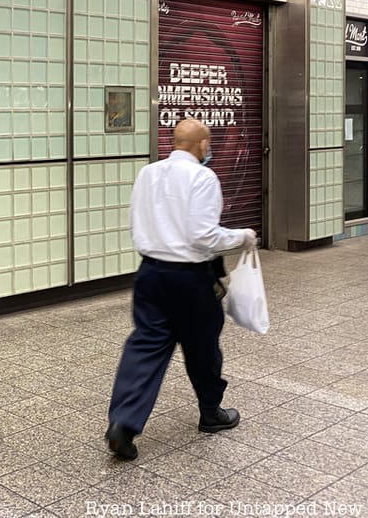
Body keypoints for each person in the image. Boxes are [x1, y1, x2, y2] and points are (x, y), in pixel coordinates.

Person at [105, 118, 256, 460]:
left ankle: (123, 424)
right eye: (209, 143)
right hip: (189, 278)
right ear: (202, 145)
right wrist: (242, 237)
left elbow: (135, 222)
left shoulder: (148, 173)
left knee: (144, 346)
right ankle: (211, 412)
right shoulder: (203, 177)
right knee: (202, 346)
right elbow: (203, 236)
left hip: (150, 274)